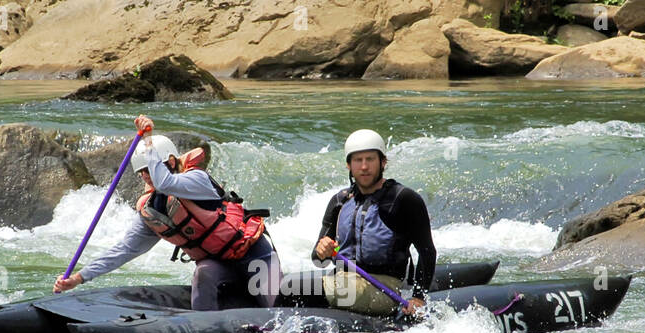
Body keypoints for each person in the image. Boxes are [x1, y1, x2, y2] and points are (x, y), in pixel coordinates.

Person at [54, 115, 280, 310]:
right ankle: (204, 332)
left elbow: (165, 182)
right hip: (217, 264)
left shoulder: (196, 180)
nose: (147, 175)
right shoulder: (152, 210)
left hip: (254, 254)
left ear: (171, 161)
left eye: (152, 167)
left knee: (276, 306)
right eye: (142, 171)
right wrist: (79, 278)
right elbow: (124, 250)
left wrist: (148, 140)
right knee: (203, 274)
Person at [311, 129, 436, 316]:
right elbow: (318, 260)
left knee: (317, 290)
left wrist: (418, 297)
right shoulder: (340, 201)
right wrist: (322, 251)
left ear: (383, 162)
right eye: (357, 160)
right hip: (342, 281)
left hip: (384, 288)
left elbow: (427, 252)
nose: (364, 167)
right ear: (348, 165)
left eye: (370, 159)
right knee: (285, 287)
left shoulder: (403, 199)